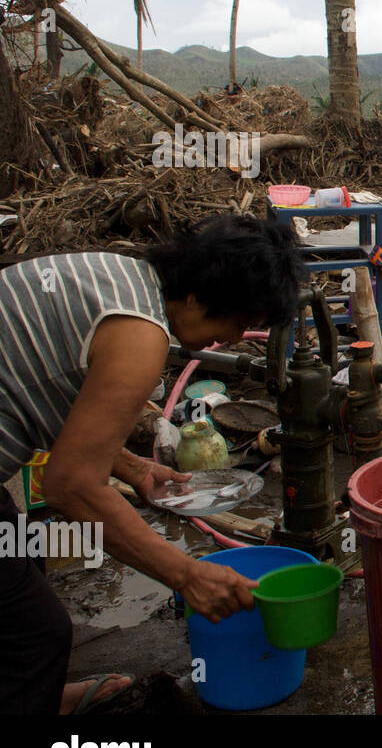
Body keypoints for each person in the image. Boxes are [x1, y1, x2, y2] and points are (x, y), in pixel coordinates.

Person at [0, 215, 307, 714]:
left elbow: (50, 397)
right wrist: (187, 576)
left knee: (21, 566)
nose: (232, 338)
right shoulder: (140, 334)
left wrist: (133, 468)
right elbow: (71, 486)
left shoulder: (121, 281)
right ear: (199, 295)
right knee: (33, 637)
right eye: (235, 321)